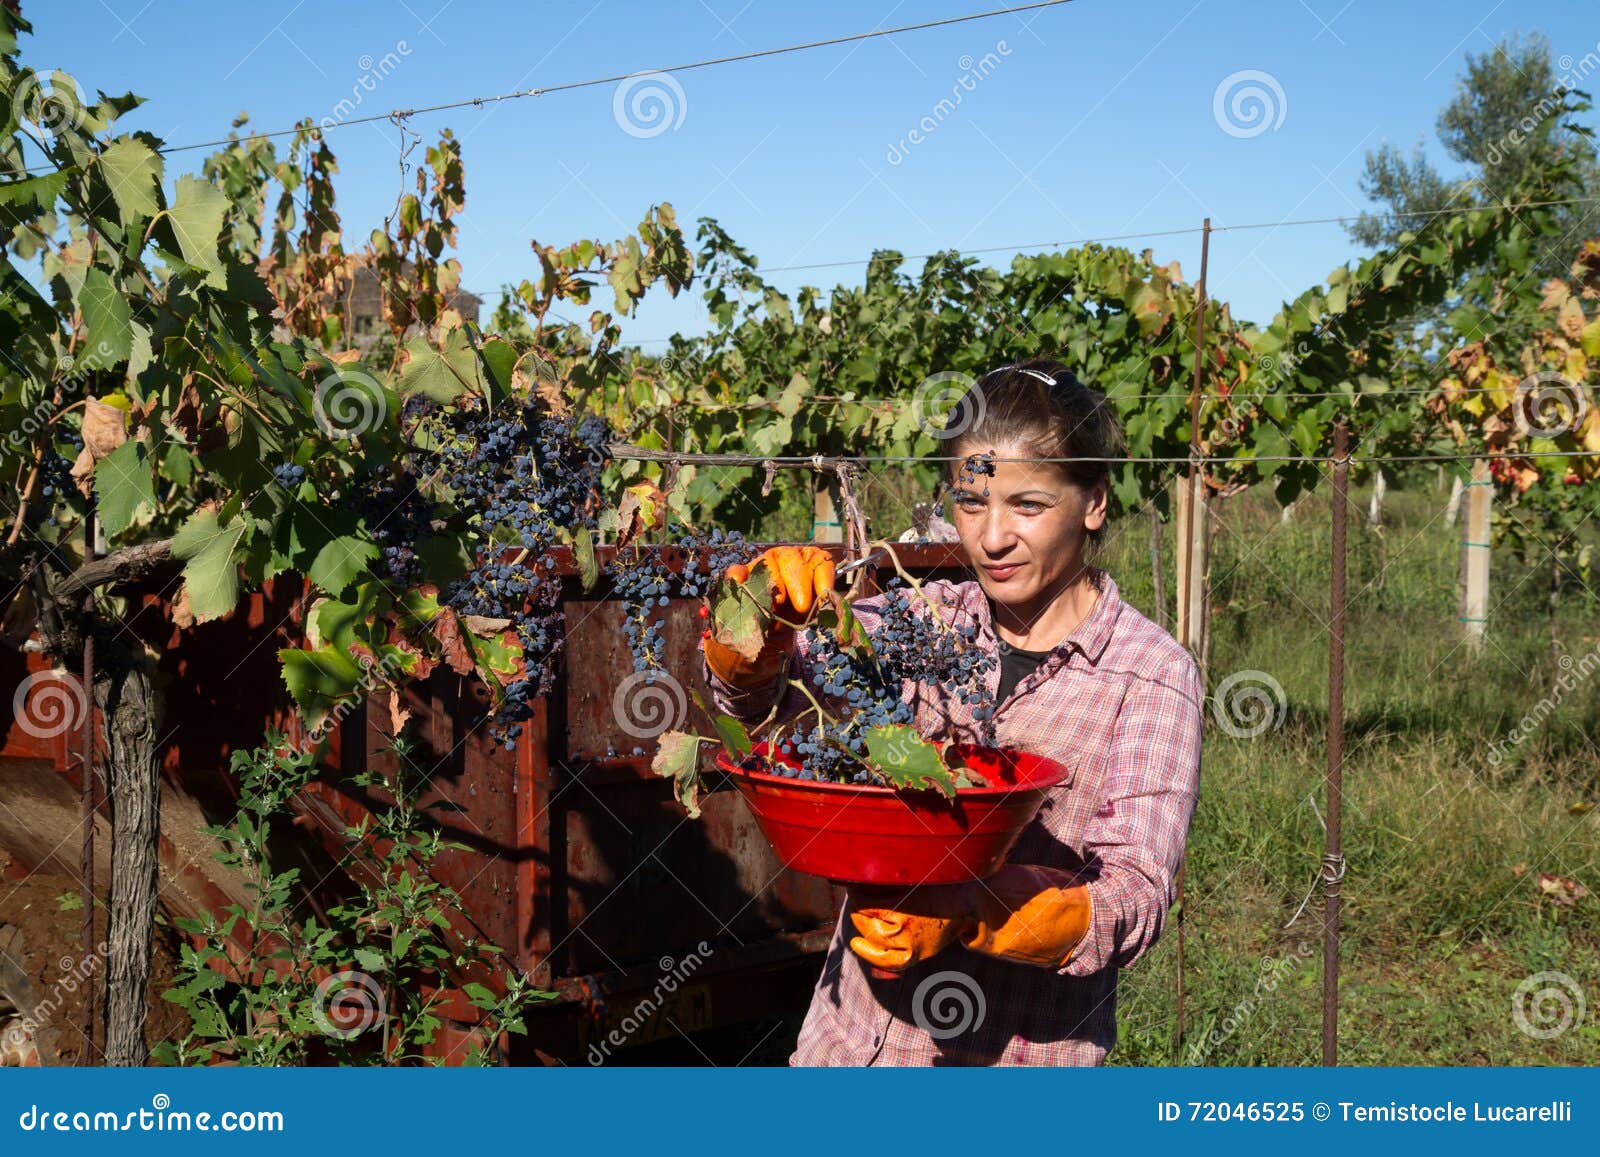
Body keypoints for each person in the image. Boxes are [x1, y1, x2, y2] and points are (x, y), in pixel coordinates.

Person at [700, 357, 1204, 1066]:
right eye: (971, 503)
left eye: (1027, 505)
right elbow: (766, 713)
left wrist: (969, 911)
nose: (992, 537)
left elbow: (1135, 896)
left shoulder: (1150, 674)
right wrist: (757, 628)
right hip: (844, 1053)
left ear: (1093, 501)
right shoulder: (923, 620)